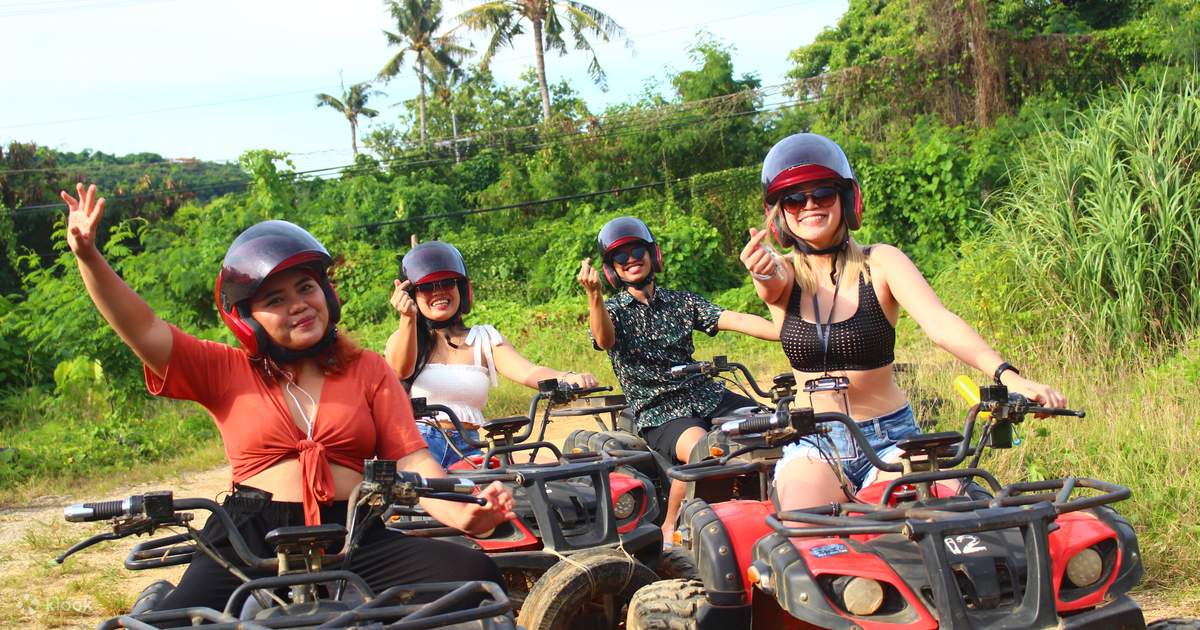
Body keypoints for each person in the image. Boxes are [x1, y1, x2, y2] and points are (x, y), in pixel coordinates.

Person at [60, 183, 515, 613]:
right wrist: (88, 256)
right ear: (248, 319)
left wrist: (468, 515)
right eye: (275, 299)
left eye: (305, 288)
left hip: (352, 533)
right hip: (249, 533)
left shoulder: (367, 370)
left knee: (474, 579)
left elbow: (414, 461)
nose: (297, 304)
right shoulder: (225, 368)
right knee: (181, 619)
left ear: (326, 294)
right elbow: (143, 329)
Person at [739, 133, 1066, 511]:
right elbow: (771, 283)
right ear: (781, 214)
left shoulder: (881, 262)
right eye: (795, 199)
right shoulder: (786, 273)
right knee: (806, 534)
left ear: (847, 201)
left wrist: (1010, 376)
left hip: (890, 436)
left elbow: (940, 322)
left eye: (823, 194)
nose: (809, 205)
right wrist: (761, 269)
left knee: (928, 531)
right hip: (815, 440)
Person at [578, 216, 779, 542]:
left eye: (637, 250)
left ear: (652, 254)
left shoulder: (681, 302)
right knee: (703, 450)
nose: (631, 259)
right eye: (620, 255)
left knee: (772, 427)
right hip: (659, 410)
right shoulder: (613, 310)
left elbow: (734, 318)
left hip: (705, 394)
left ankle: (767, 511)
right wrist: (594, 297)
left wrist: (789, 331)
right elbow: (604, 340)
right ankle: (671, 530)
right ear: (611, 267)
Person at [385, 241, 598, 468]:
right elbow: (400, 369)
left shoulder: (483, 339)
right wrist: (408, 318)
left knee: (525, 484)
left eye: (447, 283)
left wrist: (568, 378)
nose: (438, 291)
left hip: (470, 448)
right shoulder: (405, 338)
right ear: (411, 295)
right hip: (419, 447)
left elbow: (528, 371)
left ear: (463, 290)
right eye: (427, 287)